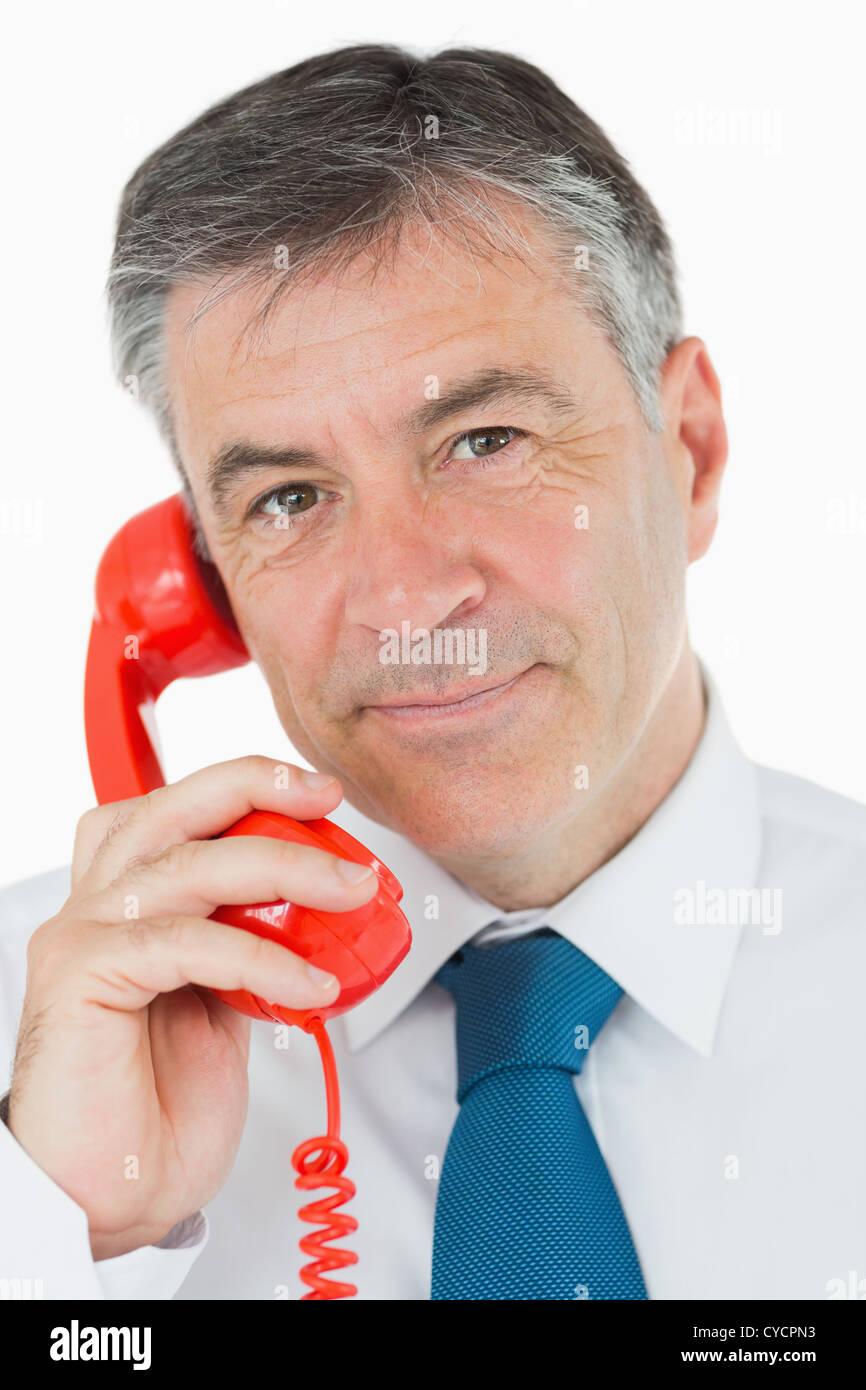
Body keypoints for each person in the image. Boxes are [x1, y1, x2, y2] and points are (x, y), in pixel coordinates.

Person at [1, 43, 863, 1302]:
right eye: (289, 496)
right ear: (203, 585)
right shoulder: (40, 1042)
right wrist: (60, 1230)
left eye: (484, 438)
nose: (406, 599)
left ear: (688, 447)